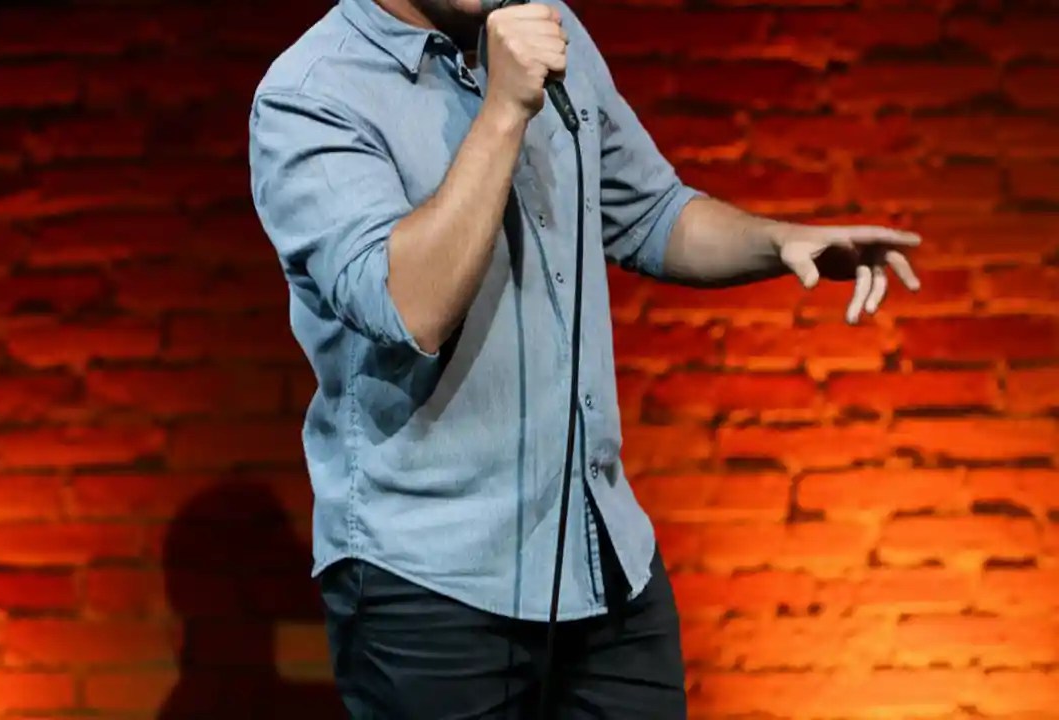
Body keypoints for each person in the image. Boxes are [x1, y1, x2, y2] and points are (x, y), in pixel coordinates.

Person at [248, 0, 922, 717]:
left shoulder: (546, 24)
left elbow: (651, 212)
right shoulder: (313, 92)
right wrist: (503, 109)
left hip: (602, 565)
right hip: (430, 587)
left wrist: (779, 243)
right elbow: (412, 306)